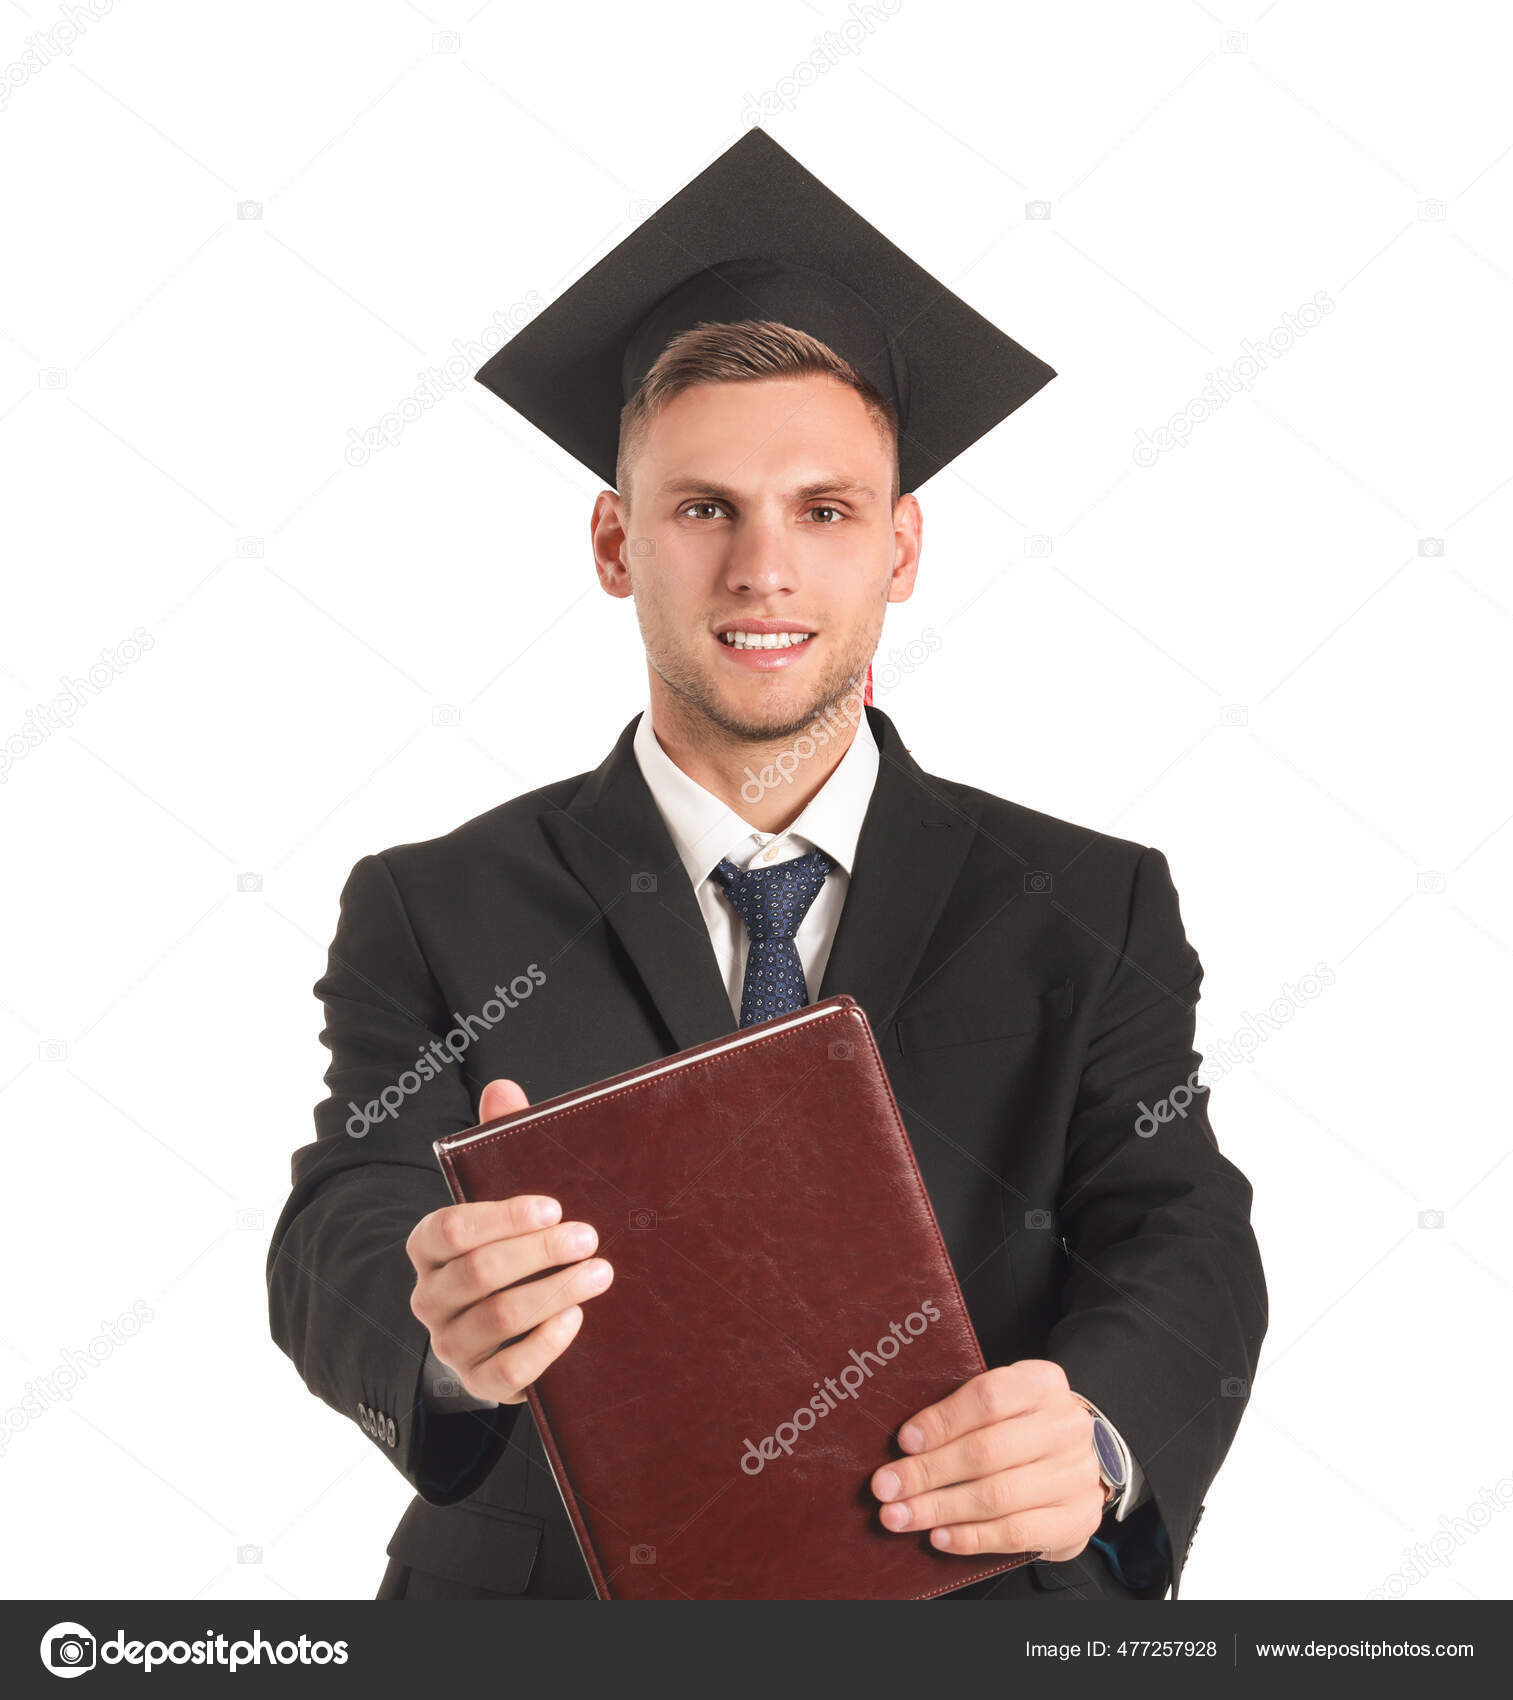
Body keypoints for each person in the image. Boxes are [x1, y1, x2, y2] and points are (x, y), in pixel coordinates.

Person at [267, 130, 1266, 1601]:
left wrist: (1100, 1437)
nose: (763, 570)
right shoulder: (439, 902)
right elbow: (343, 1210)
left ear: (900, 547)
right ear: (615, 542)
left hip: (976, 1602)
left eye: (824, 509)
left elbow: (1174, 1222)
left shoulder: (1083, 901)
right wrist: (440, 1324)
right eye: (701, 509)